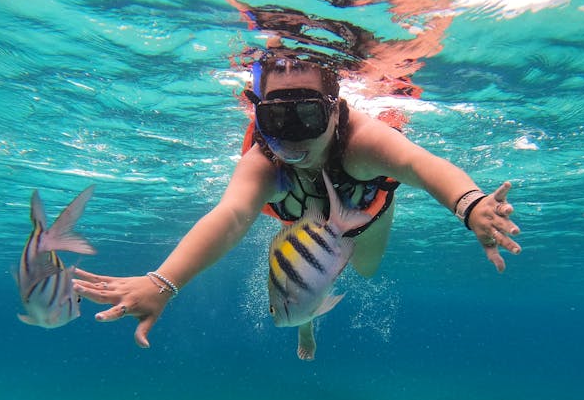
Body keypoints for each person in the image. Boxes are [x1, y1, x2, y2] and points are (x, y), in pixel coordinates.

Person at [73, 49, 521, 358]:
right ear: (258, 113)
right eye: (274, 117)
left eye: (307, 115)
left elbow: (420, 165)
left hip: (365, 211)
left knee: (364, 269)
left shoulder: (363, 142)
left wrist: (470, 205)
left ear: (334, 109)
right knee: (299, 267)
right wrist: (163, 282)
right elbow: (230, 216)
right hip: (302, 220)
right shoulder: (263, 162)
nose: (291, 136)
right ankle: (304, 317)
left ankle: (306, 309)